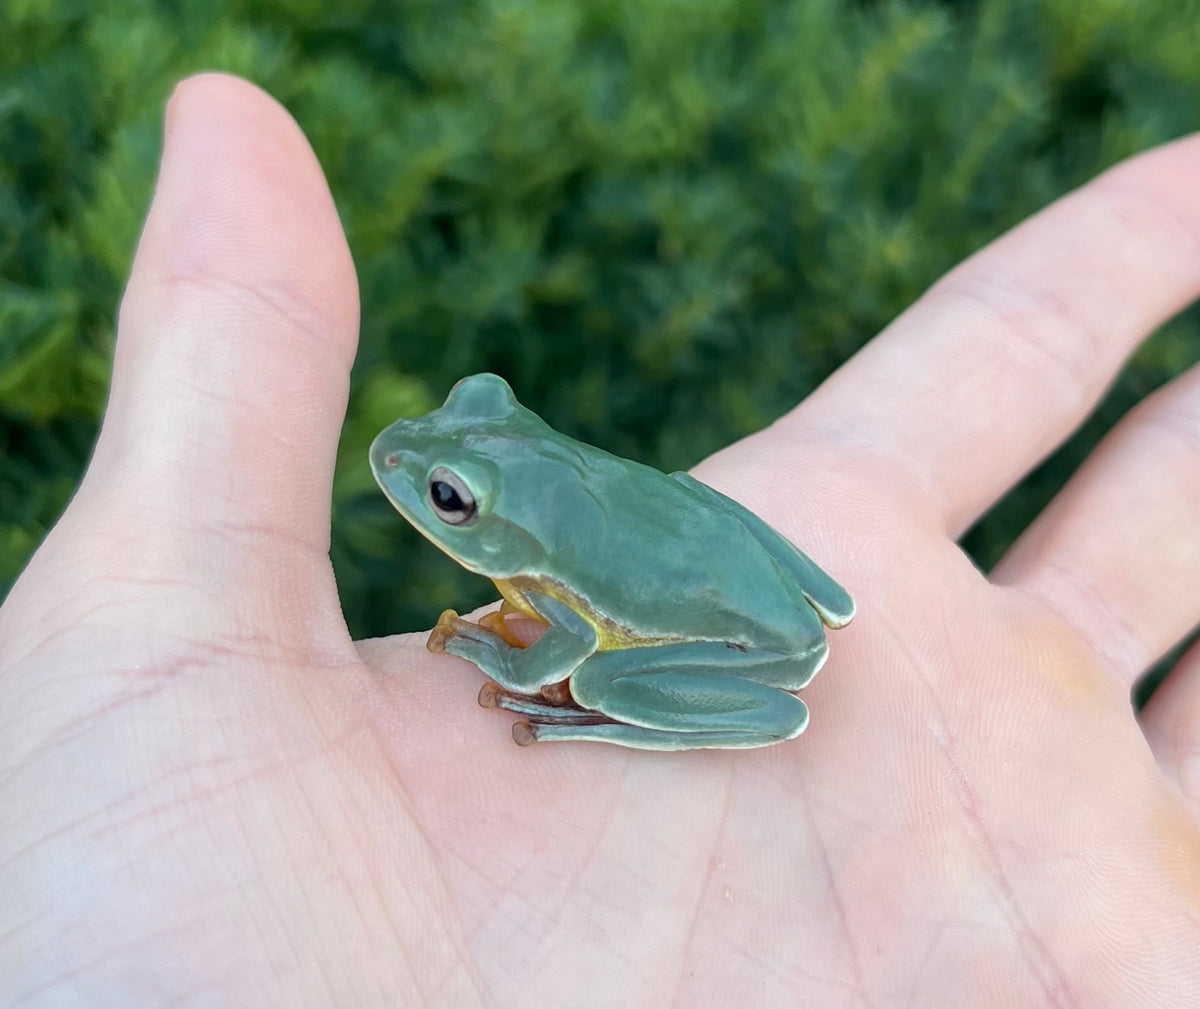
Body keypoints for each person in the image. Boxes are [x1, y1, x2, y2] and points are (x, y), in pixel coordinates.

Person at [1, 73, 1197, 1006]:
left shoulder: (541, 583)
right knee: (655, 524)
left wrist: (501, 647)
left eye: (450, 496)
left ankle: (614, 711)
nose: (418, 475)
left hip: (748, 651)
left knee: (592, 668)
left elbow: (554, 644)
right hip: (730, 559)